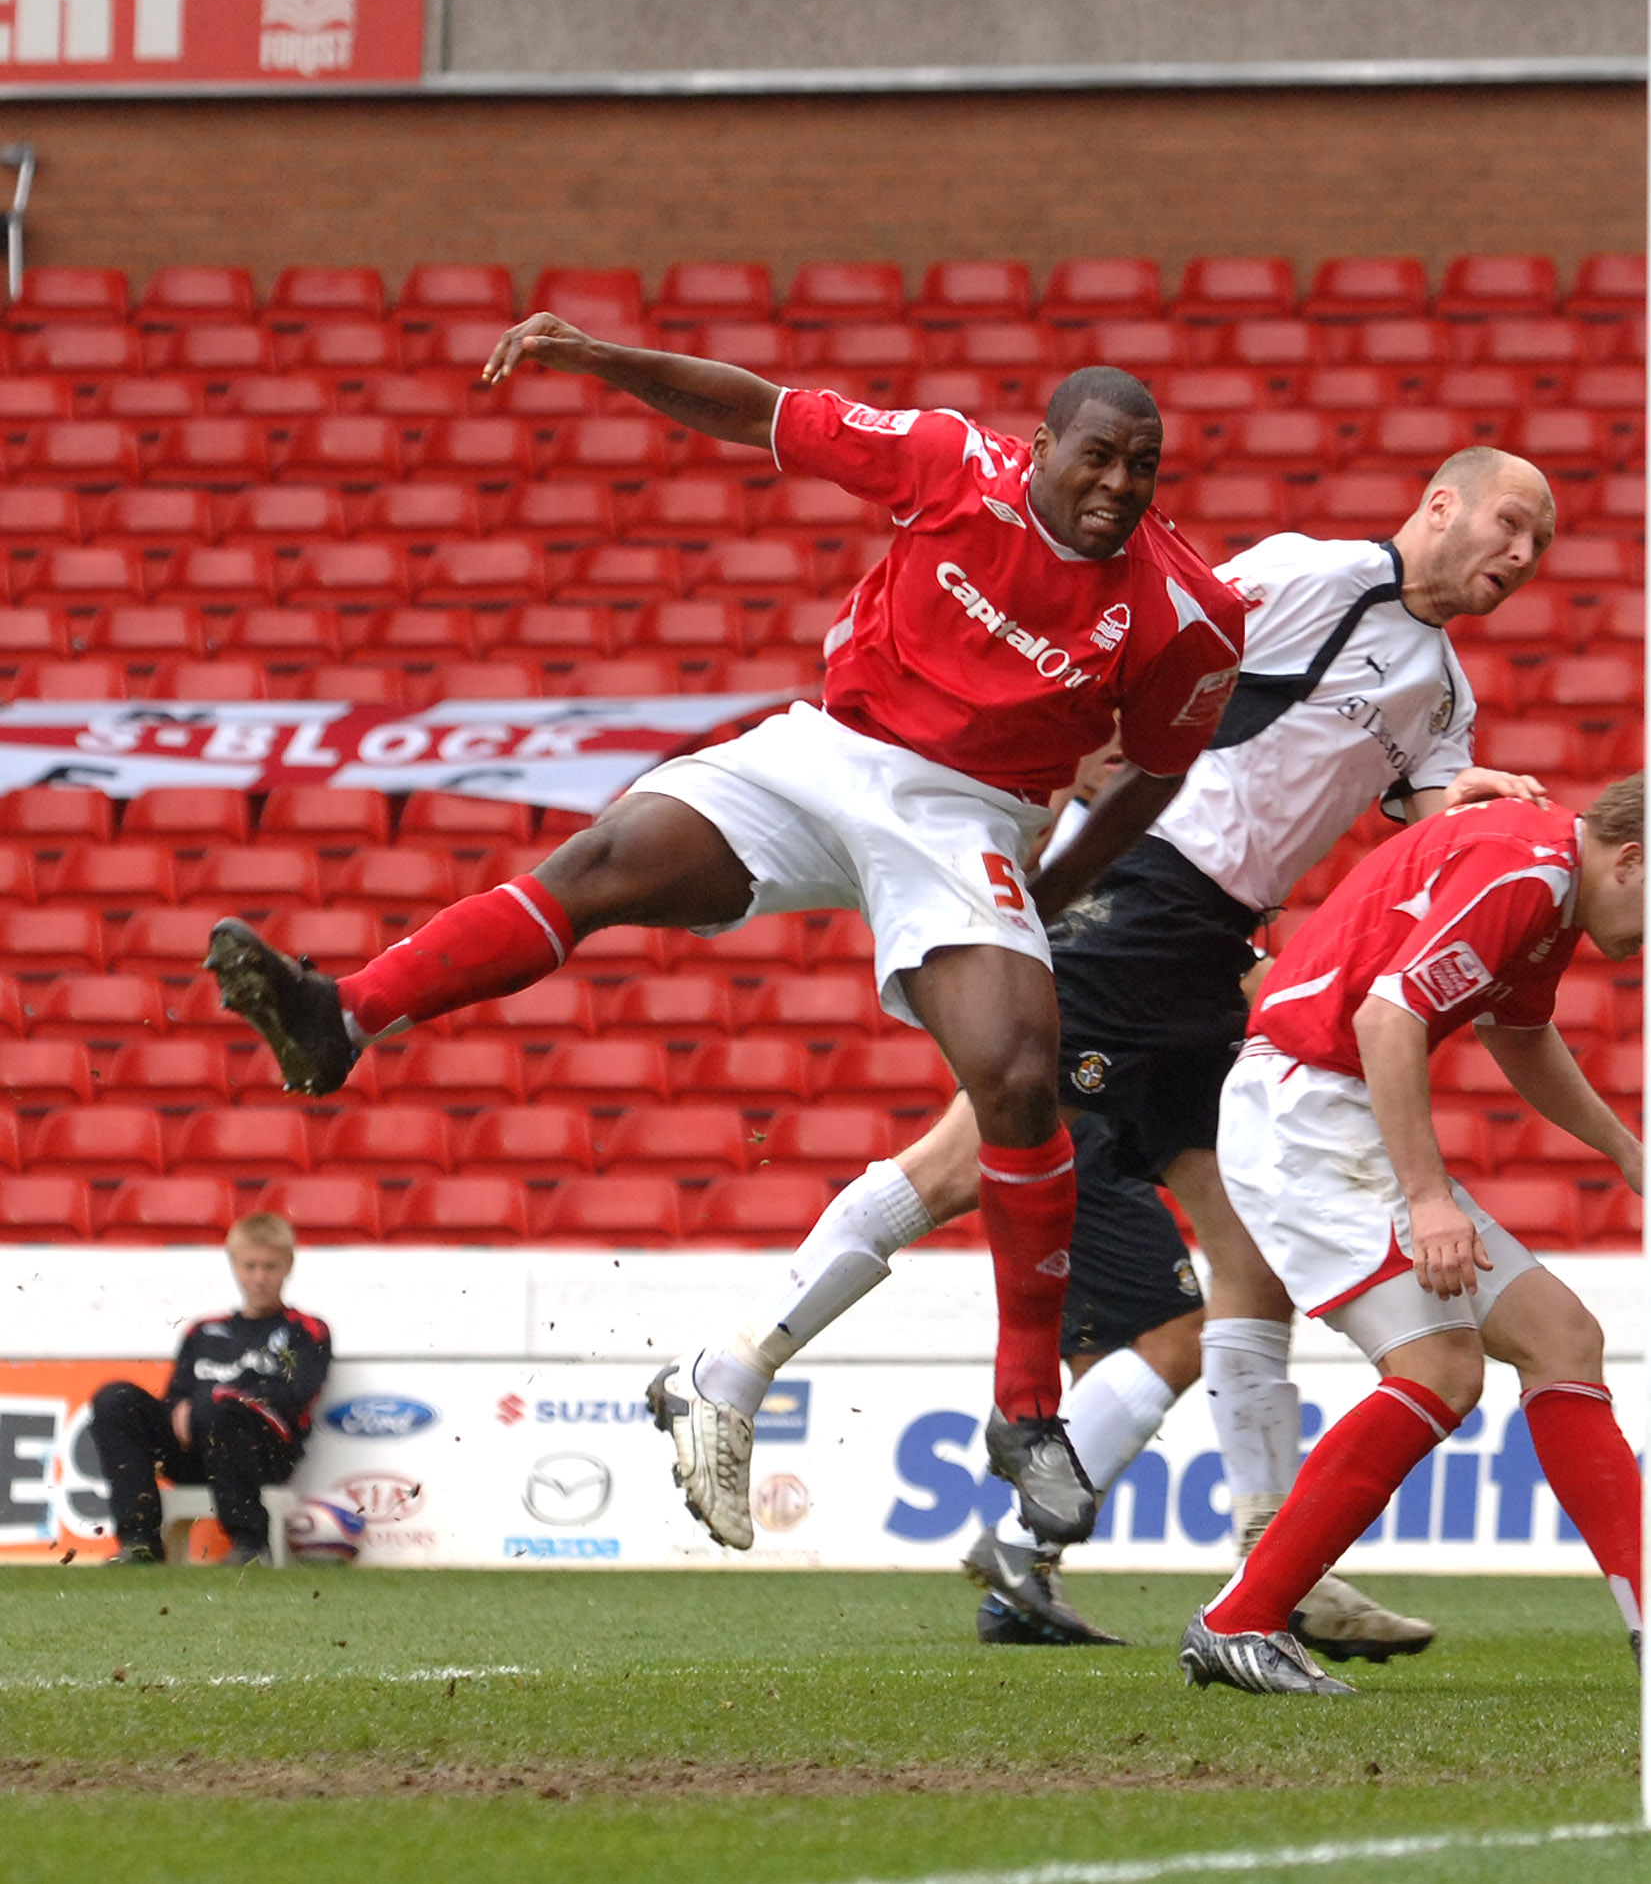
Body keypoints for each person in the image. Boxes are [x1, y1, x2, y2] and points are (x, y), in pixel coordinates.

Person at [203, 319, 1247, 1549]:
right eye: (1099, 458)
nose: (1118, 488)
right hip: (827, 751)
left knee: (1019, 1076)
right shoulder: (945, 462)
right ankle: (343, 1016)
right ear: (1039, 448)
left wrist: (1055, 881)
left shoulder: (1187, 612)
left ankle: (1025, 1413)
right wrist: (599, 360)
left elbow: (1155, 775)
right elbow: (760, 409)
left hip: (967, 813)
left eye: (1144, 468)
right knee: (597, 863)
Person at [657, 449, 1561, 1662]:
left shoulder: (1442, 691)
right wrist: (1067, 755)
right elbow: (1156, 644)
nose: (1520, 555)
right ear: (1439, 504)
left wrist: (1479, 802)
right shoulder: (1317, 574)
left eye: (1539, 547)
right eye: (1510, 523)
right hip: (1131, 896)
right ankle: (731, 1368)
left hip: (1210, 946)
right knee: (963, 1162)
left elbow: (1412, 809)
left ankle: (1267, 1558)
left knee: (1248, 1258)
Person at [1174, 773, 1651, 1693]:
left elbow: (1519, 1033)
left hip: (1333, 1105)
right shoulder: (1528, 874)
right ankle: (1241, 1618)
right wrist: (1428, 1198)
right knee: (1439, 1369)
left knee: (1564, 1338)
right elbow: (1387, 1019)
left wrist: (1625, 1150)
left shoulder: (1546, 884)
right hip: (1309, 1111)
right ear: (1633, 859)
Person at [92, 1213, 330, 1565]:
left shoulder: (306, 1331)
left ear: (288, 1266)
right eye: (250, 1266)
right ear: (234, 1265)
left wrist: (220, 1398)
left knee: (216, 1404)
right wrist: (185, 1409)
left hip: (263, 1453)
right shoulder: (203, 1331)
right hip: (195, 1448)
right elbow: (175, 1396)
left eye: (270, 1267)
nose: (260, 1278)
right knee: (115, 1399)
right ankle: (139, 1541)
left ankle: (251, 1544)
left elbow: (295, 1397)